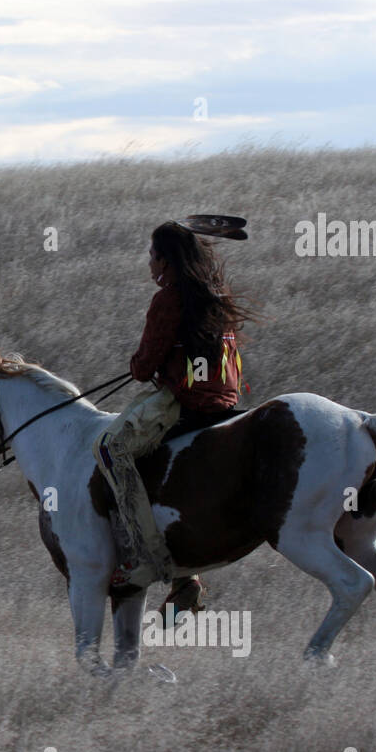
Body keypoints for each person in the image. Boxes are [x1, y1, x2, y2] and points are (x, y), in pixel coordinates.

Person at [93, 217, 254, 603]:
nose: (149, 265)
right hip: (226, 399)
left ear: (165, 261)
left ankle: (149, 559)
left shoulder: (169, 298)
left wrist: (138, 365)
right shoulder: (214, 292)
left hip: (186, 400)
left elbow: (144, 367)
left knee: (109, 450)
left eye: (151, 257)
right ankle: (186, 580)